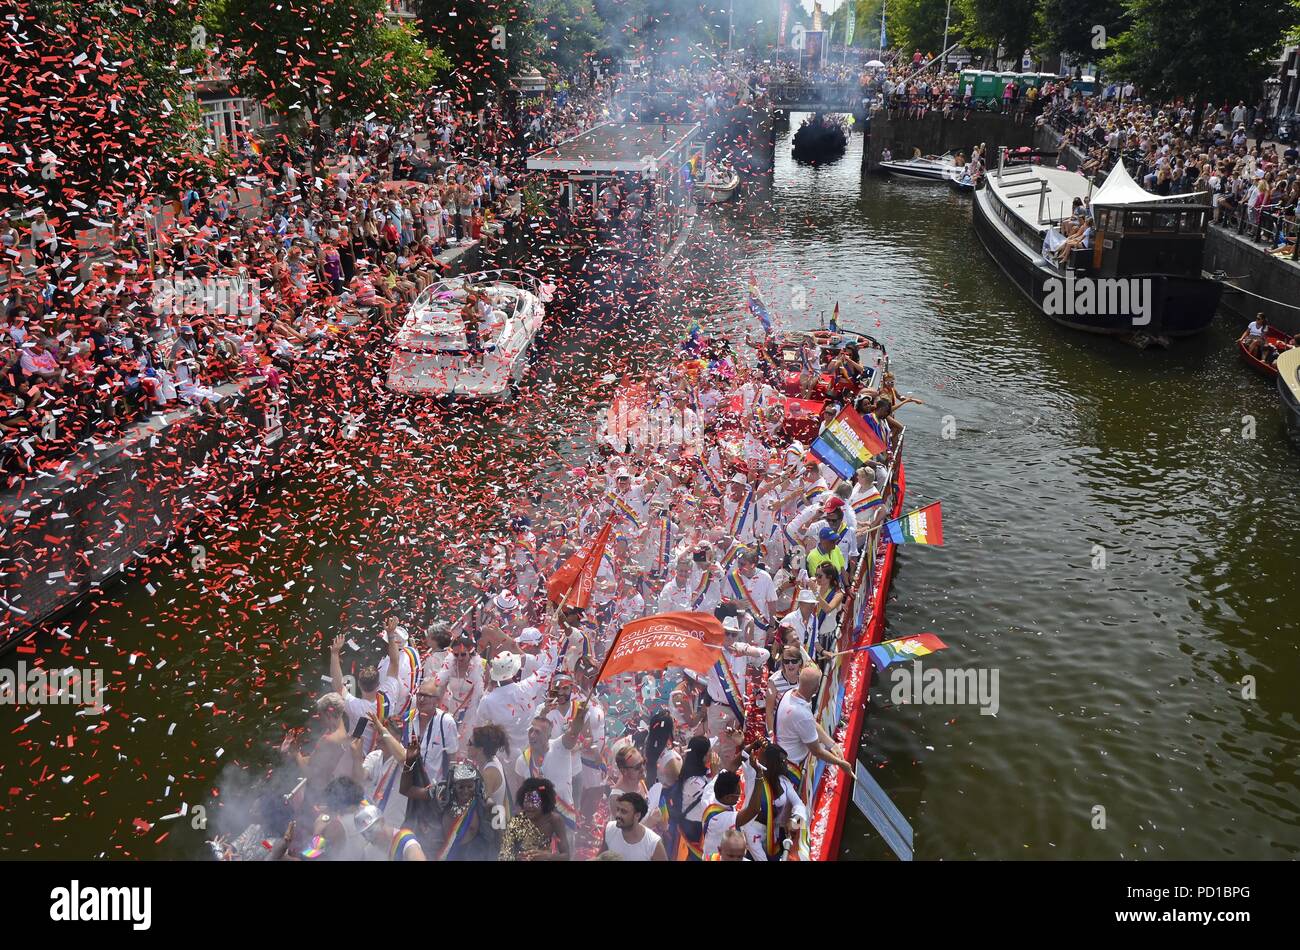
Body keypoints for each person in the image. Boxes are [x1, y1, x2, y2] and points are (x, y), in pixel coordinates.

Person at [774, 665, 854, 792]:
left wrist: (832, 745)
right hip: (791, 765)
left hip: (781, 753)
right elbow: (817, 751)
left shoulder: (791, 693)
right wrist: (841, 764)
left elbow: (811, 723)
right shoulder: (802, 714)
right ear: (817, 688)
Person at [499, 777, 570, 861]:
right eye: (527, 801)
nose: (529, 806)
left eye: (534, 801)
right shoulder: (517, 821)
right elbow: (504, 855)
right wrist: (517, 858)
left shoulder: (554, 820)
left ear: (544, 803)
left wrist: (547, 856)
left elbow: (566, 856)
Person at [600, 792, 667, 860]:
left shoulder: (653, 843)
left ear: (637, 815)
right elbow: (600, 858)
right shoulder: (610, 829)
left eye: (624, 812)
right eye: (618, 809)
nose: (618, 815)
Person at [353, 802, 426, 861]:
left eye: (371, 831)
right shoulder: (369, 851)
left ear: (381, 821)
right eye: (364, 834)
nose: (369, 838)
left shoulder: (405, 841)